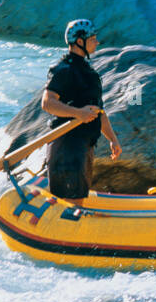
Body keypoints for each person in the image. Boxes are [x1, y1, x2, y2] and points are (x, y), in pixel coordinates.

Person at [40, 19, 120, 203]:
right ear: (79, 41)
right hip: (67, 145)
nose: (97, 42)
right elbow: (47, 103)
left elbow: (98, 111)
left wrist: (113, 139)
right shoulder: (63, 69)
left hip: (83, 146)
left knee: (79, 199)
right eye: (93, 38)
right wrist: (78, 113)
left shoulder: (88, 71)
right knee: (72, 203)